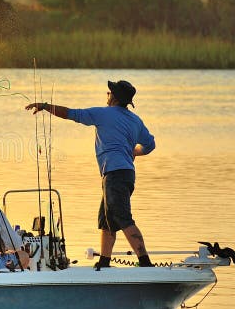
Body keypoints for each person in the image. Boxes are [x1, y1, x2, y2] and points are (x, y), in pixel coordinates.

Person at [26, 80, 156, 268]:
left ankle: (145, 263)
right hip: (124, 173)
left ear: (114, 97)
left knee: (122, 217)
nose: (107, 95)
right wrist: (134, 152)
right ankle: (104, 262)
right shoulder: (135, 120)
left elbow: (72, 114)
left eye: (109, 93)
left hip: (115, 173)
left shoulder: (104, 114)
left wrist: (46, 106)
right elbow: (150, 145)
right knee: (106, 220)